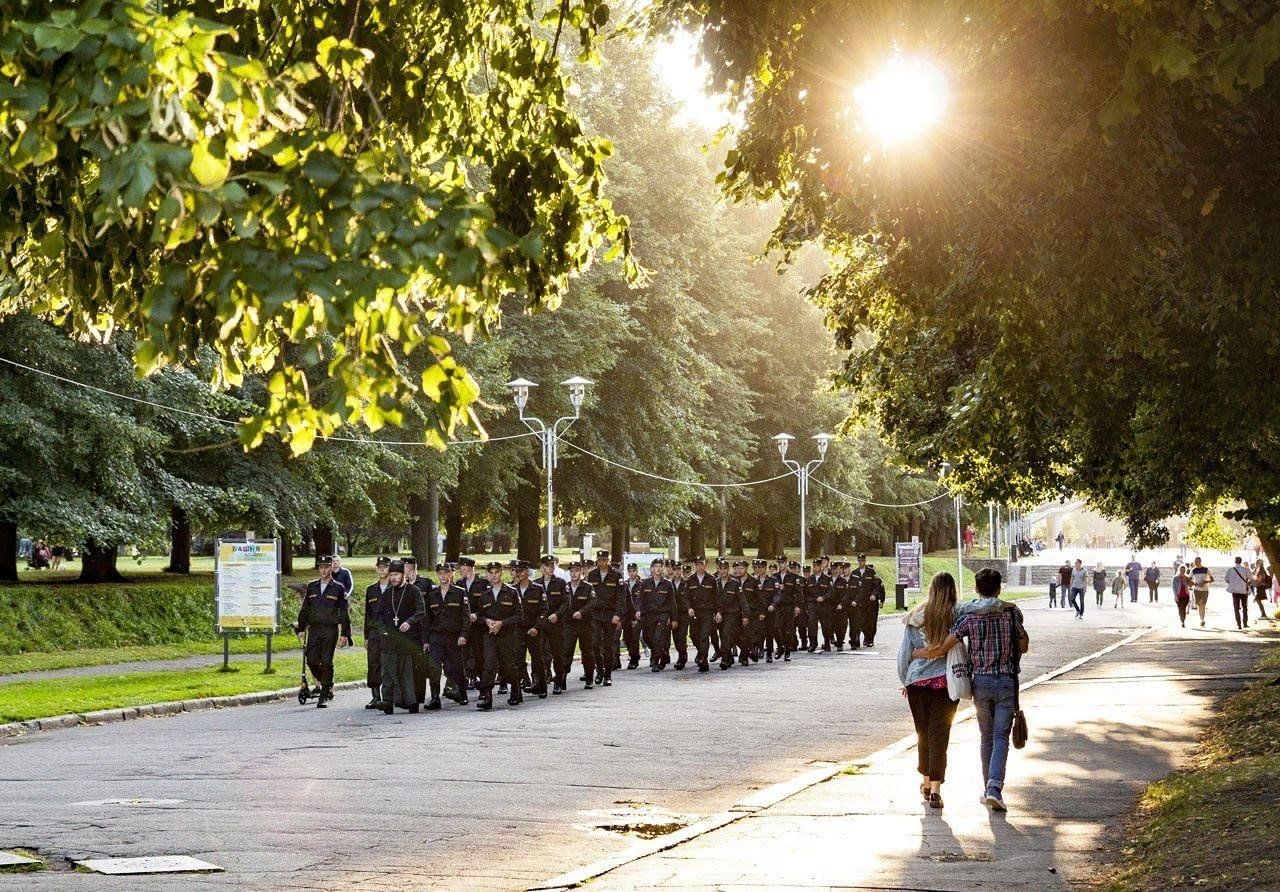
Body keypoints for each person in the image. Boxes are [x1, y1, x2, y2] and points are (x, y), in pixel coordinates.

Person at [915, 568, 1029, 813]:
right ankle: (993, 789)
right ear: (999, 588)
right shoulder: (1011, 612)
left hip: (981, 683)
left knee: (986, 737)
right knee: (1000, 737)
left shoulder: (968, 616)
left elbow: (946, 646)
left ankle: (990, 788)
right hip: (1007, 682)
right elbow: (1024, 644)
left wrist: (920, 654)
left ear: (977, 589)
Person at [897, 572, 961, 809]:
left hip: (918, 683)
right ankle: (935, 789)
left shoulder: (916, 616)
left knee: (922, 733)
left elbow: (905, 653)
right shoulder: (957, 615)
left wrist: (906, 679)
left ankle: (925, 781)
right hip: (945, 682)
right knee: (940, 736)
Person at [294, 555, 351, 708]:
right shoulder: (312, 586)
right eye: (321, 567)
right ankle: (326, 683)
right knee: (311, 660)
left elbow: (344, 612)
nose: (324, 570)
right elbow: (305, 608)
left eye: (326, 566)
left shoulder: (338, 587)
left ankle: (324, 694)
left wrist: (345, 633)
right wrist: (300, 628)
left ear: (332, 567)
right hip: (314, 629)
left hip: (329, 629)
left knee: (326, 661)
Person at [473, 561, 524, 710]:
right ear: (487, 575)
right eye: (491, 573)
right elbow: (480, 615)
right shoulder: (484, 595)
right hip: (489, 634)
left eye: (497, 572)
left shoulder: (512, 592)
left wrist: (502, 623)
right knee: (489, 665)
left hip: (507, 634)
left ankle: (515, 689)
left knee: (508, 665)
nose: (494, 575)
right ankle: (487, 696)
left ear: (502, 573)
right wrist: (487, 621)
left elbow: (519, 615)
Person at [377, 559, 425, 715]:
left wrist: (409, 622)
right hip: (391, 639)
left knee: (407, 673)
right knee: (389, 671)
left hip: (409, 639)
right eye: (391, 575)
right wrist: (383, 629)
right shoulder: (387, 593)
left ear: (403, 575)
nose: (393, 578)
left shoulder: (414, 591)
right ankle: (388, 701)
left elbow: (420, 612)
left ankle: (411, 702)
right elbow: (380, 615)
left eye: (396, 575)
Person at [425, 562, 469, 708]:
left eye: (446, 573)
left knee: (456, 667)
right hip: (436, 636)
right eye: (440, 573)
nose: (443, 576)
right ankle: (435, 698)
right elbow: (427, 619)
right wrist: (426, 640)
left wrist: (463, 634)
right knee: (434, 668)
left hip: (453, 636)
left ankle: (462, 694)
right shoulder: (432, 595)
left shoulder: (460, 592)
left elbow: (465, 617)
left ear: (451, 574)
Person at [585, 550, 624, 687]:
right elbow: (588, 595)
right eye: (600, 560)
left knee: (608, 645)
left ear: (608, 560)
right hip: (595, 614)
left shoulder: (616, 575)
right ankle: (599, 670)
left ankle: (607, 674)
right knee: (595, 643)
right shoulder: (592, 575)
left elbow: (621, 597)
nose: (602, 562)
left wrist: (617, 614)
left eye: (604, 560)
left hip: (610, 614)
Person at [511, 560, 547, 697]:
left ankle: (541, 685)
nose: (518, 574)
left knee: (537, 658)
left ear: (527, 572)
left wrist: (536, 627)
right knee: (517, 657)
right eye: (516, 571)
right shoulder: (512, 589)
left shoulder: (537, 589)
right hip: (518, 629)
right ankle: (524, 680)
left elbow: (543, 611)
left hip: (534, 629)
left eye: (521, 571)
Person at [562, 562, 600, 689]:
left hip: (585, 624)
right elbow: (561, 604)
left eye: (576, 571)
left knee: (587, 652)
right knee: (567, 651)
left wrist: (581, 612)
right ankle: (562, 677)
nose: (573, 574)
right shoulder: (565, 587)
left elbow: (593, 603)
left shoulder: (588, 587)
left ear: (581, 572)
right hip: (569, 624)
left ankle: (589, 678)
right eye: (571, 571)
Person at [537, 555, 571, 695]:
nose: (551, 568)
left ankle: (558, 680)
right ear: (542, 567)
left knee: (558, 654)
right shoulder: (536, 584)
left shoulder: (561, 583)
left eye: (552, 566)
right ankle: (542, 680)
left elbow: (565, 602)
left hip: (556, 623)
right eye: (548, 565)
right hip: (541, 624)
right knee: (540, 654)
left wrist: (557, 614)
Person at [362, 556, 393, 709]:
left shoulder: (394, 588)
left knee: (389, 663)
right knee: (373, 663)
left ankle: (389, 696)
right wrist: (366, 636)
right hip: (374, 632)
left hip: (390, 632)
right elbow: (368, 614)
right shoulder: (371, 590)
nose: (382, 569)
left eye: (385, 566)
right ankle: (375, 696)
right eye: (379, 566)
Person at [638, 558, 676, 671]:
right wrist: (638, 610)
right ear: (652, 569)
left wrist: (674, 619)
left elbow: (672, 602)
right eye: (656, 566)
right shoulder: (645, 583)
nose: (658, 569)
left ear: (662, 568)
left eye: (660, 566)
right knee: (647, 637)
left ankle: (655, 662)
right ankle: (663, 655)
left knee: (658, 637)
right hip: (649, 615)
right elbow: (640, 599)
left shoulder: (667, 584)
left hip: (662, 615)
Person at [685, 556, 719, 672]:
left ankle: (703, 659)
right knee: (694, 636)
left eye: (702, 564)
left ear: (706, 565)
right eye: (698, 564)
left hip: (707, 612)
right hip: (695, 612)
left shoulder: (711, 579)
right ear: (695, 565)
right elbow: (686, 596)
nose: (700, 566)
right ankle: (701, 653)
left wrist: (717, 612)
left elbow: (716, 597)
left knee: (704, 636)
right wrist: (688, 607)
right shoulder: (690, 580)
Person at [716, 560, 750, 669]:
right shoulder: (715, 582)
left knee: (726, 635)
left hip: (733, 614)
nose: (723, 571)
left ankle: (725, 659)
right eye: (721, 568)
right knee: (729, 636)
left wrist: (745, 615)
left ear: (728, 569)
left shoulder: (735, 583)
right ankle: (740, 653)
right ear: (718, 569)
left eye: (725, 568)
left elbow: (742, 600)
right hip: (720, 614)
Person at [1224, 556, 1252, 630]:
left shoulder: (1230, 570)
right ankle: (1245, 623)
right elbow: (1250, 578)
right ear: (1241, 561)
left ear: (1235, 561)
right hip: (1243, 591)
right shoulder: (1245, 569)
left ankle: (1239, 624)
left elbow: (1226, 580)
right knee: (1245, 607)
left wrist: (1233, 582)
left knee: (1236, 608)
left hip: (1235, 591)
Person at [1190, 557, 1213, 627]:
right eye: (1195, 562)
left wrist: (1205, 582)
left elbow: (1212, 579)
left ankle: (1202, 619)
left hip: (1205, 590)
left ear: (1200, 561)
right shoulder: (1193, 570)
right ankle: (1201, 619)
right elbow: (1189, 580)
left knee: (1203, 604)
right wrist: (1195, 583)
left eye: (1198, 562)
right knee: (1199, 605)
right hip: (1196, 590)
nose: (1196, 563)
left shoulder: (1206, 569)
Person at [1171, 563, 1191, 628]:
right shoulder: (1175, 578)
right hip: (1178, 596)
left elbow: (1191, 585)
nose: (1182, 572)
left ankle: (1183, 621)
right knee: (1180, 609)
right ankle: (1182, 620)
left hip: (1186, 596)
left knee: (1183, 608)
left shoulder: (1186, 578)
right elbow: (1174, 588)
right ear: (1179, 570)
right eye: (1181, 570)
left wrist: (1189, 579)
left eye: (1184, 571)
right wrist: (1175, 596)